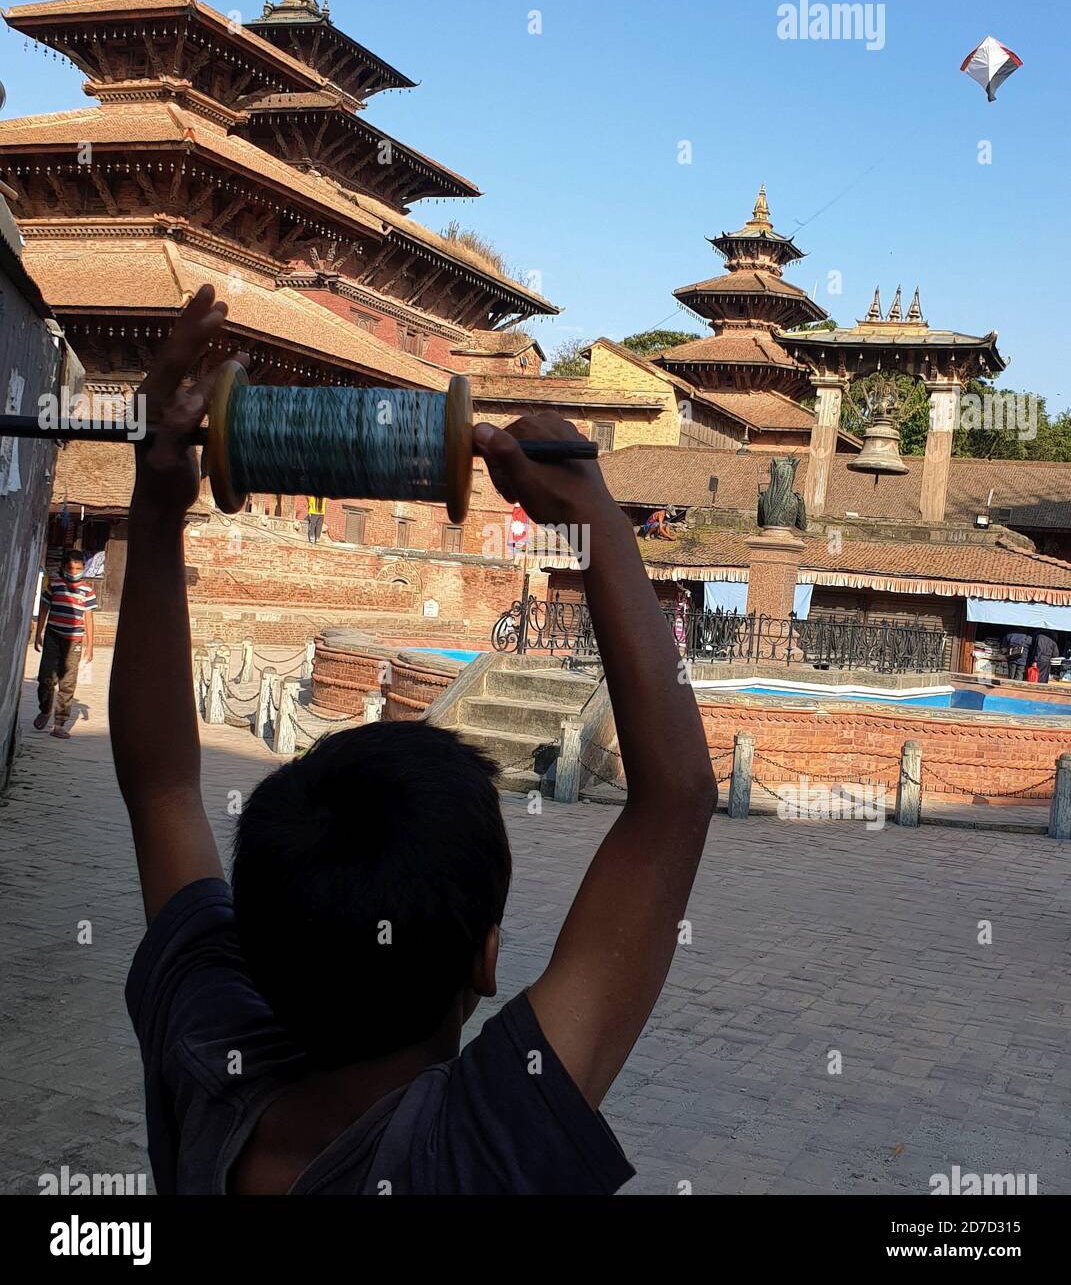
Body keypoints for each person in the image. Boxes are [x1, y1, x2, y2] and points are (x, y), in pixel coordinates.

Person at [109, 286, 717, 1196]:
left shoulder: (209, 1061)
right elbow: (675, 800)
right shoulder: (468, 1152)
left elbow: (161, 787)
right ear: (485, 960)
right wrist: (595, 513)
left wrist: (151, 513)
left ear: (257, 941)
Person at [34, 548, 96, 740]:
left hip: (74, 639)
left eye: (78, 568)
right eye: (70, 567)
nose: (74, 571)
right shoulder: (55, 585)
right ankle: (45, 709)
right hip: (53, 636)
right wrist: (38, 633)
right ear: (63, 567)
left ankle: (59, 724)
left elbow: (88, 618)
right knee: (46, 677)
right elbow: (44, 609)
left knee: (67, 682)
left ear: (84, 568)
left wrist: (90, 646)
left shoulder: (88, 591)